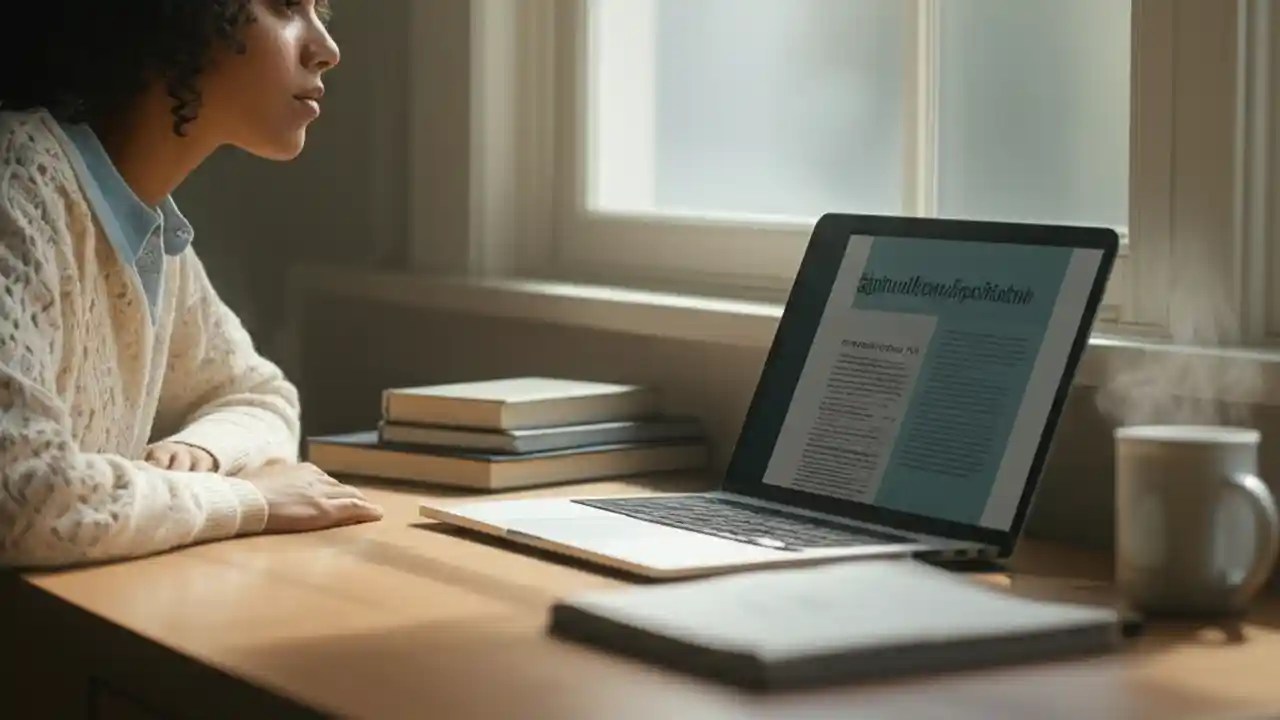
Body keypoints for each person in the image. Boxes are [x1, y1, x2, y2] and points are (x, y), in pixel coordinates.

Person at [0, 0, 384, 569]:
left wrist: (201, 450)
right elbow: (22, 497)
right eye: (284, 7)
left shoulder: (150, 231)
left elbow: (262, 397)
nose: (326, 50)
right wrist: (249, 500)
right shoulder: (19, 184)